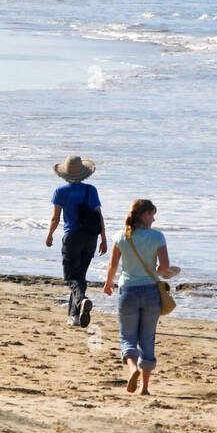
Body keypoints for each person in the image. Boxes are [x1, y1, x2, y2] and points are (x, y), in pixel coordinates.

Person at [102, 199, 174, 395]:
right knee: (147, 338)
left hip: (128, 292)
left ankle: (132, 369)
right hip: (151, 292)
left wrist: (108, 283)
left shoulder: (120, 236)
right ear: (144, 215)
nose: (154, 218)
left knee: (127, 337)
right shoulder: (157, 236)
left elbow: (113, 266)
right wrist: (157, 270)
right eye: (152, 214)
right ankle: (145, 387)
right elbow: (165, 267)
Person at [45, 154, 107, 328]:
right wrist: (103, 238)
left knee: (72, 277)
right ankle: (74, 317)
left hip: (72, 236)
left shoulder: (61, 192)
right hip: (91, 237)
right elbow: (99, 215)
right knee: (80, 277)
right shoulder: (91, 190)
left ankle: (81, 300)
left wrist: (49, 235)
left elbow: (55, 218)